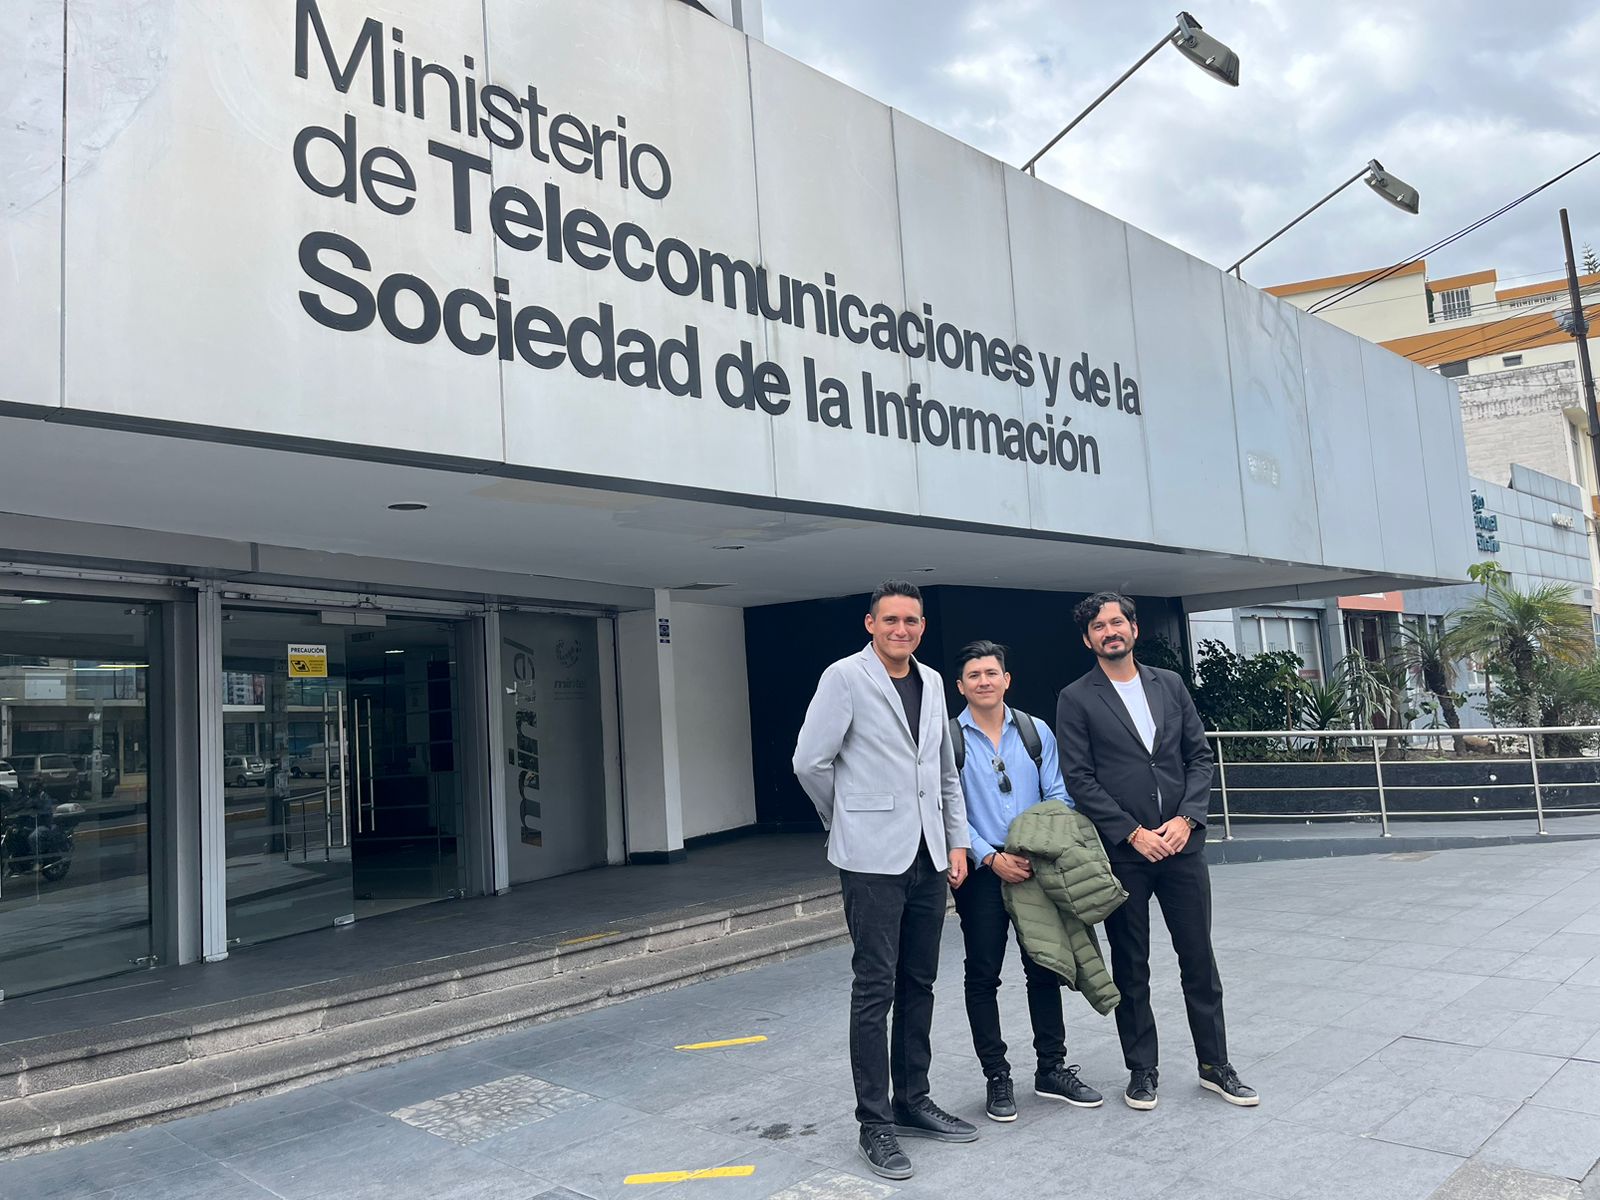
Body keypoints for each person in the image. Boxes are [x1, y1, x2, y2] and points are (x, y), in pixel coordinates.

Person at [793, 580, 976, 1180]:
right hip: (870, 857)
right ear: (870, 624)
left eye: (912, 620)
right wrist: (844, 816)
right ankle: (874, 1122)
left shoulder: (933, 682)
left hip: (929, 855)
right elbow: (809, 762)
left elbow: (944, 771)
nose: (902, 629)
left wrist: (956, 839)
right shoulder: (844, 677)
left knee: (920, 980)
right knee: (876, 987)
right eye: (890, 620)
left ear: (923, 627)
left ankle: (912, 1100)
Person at [1054, 592, 1258, 1111]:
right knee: (1131, 965)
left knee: (1199, 959)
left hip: (1182, 847)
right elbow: (1079, 778)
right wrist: (1132, 833)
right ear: (1088, 640)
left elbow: (1199, 758)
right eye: (1098, 626)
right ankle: (1142, 1070)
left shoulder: (1169, 685)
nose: (1109, 631)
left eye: (1116, 622)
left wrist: (1187, 819)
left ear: (1134, 629)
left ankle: (1215, 1066)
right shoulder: (1075, 698)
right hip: (1125, 855)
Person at [948, 640, 1104, 1123]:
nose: (984, 681)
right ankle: (996, 1075)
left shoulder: (1036, 732)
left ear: (1006, 679)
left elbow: (1059, 796)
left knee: (1045, 966)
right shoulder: (948, 740)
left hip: (1037, 868)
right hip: (982, 874)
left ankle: (1051, 1068)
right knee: (983, 975)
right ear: (961, 686)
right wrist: (990, 857)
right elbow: (947, 809)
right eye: (974, 675)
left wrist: (1033, 849)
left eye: (991, 673)